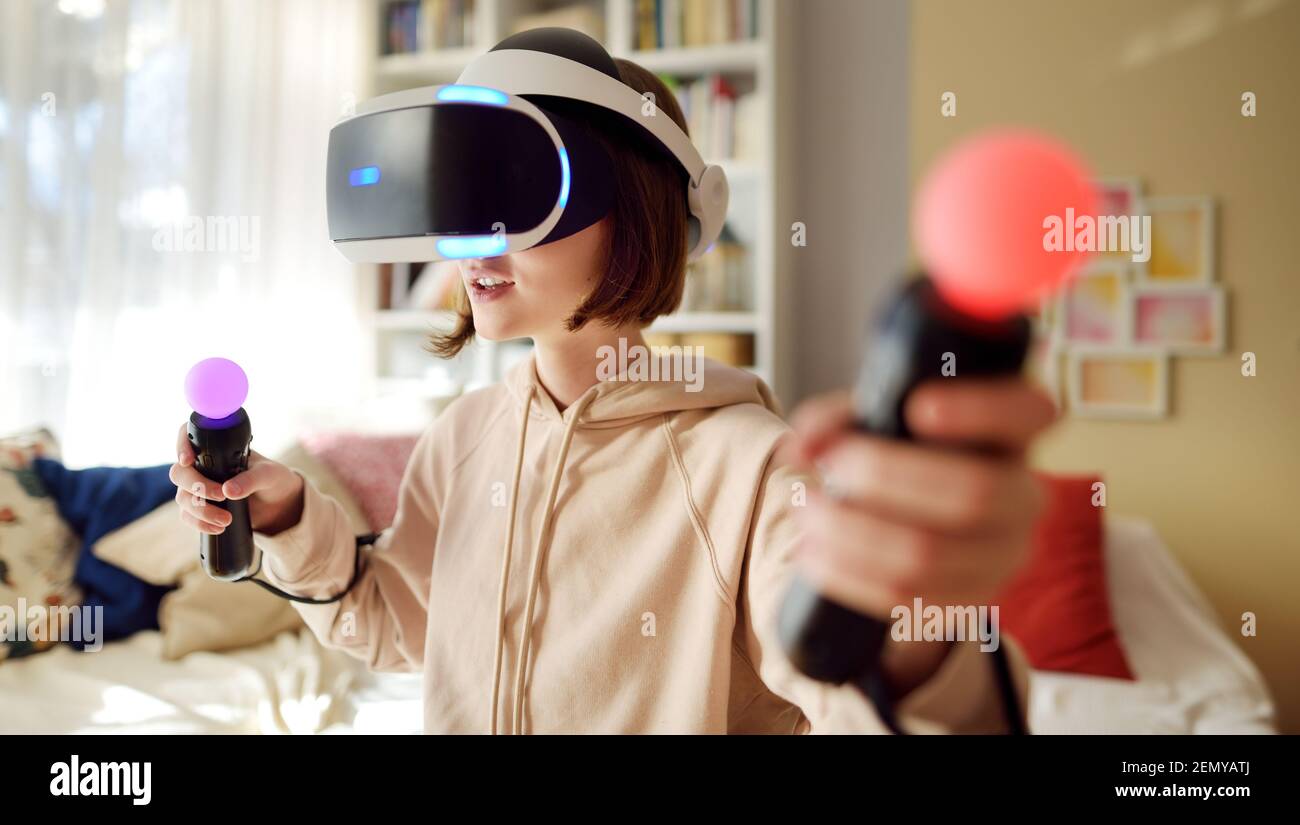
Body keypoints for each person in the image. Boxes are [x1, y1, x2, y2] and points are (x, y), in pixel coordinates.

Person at [170, 37, 1054, 734]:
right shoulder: (463, 437)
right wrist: (288, 516)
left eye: (510, 187)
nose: (474, 243)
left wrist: (915, 640)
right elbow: (400, 626)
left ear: (631, 205)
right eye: (459, 195)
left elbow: (845, 688)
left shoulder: (745, 463)